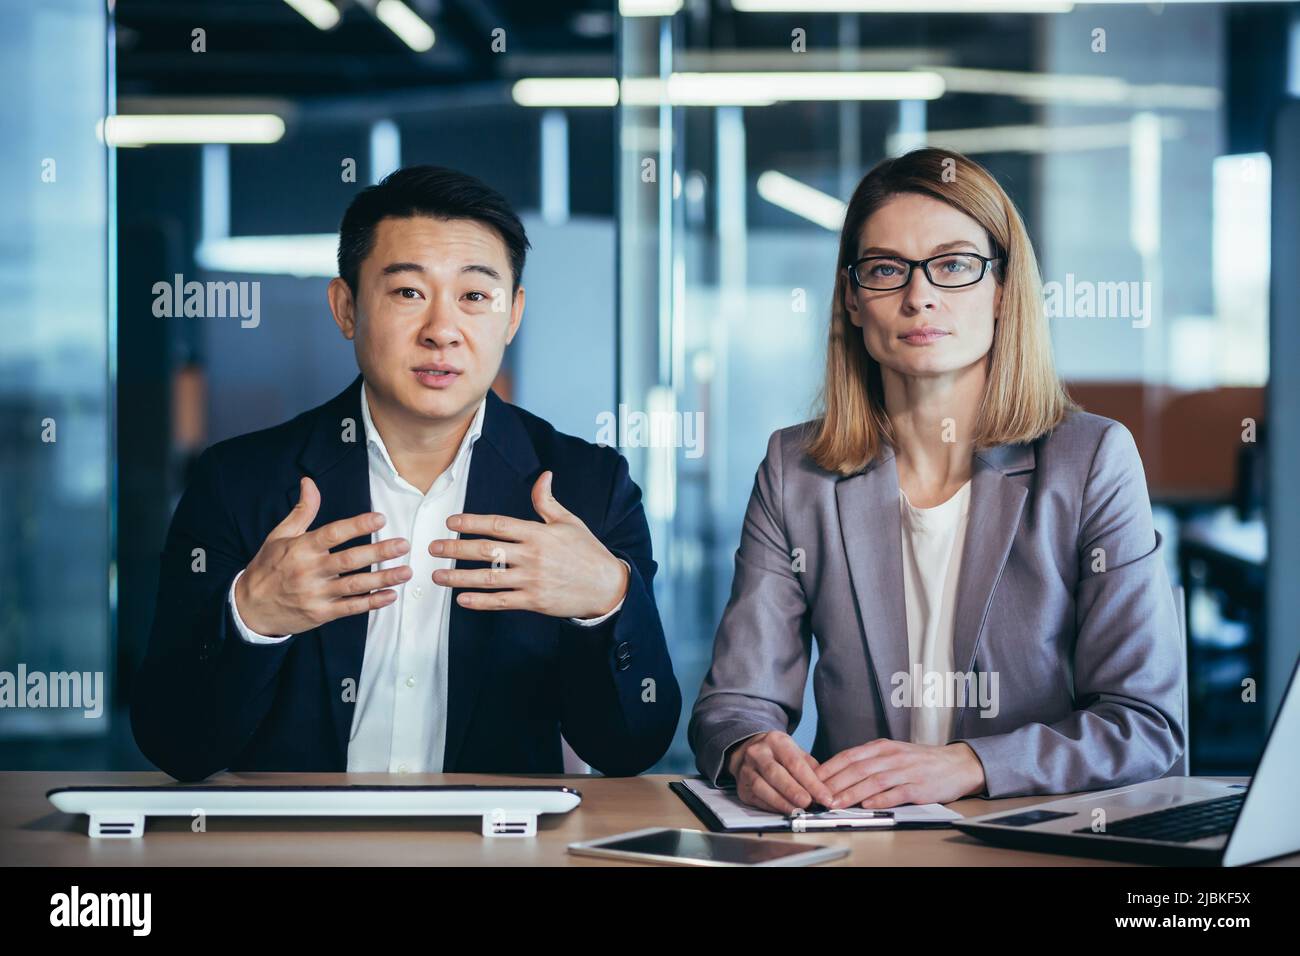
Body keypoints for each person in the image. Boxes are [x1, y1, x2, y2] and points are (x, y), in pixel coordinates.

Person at [132, 166, 680, 781]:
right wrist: (251, 617)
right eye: (407, 293)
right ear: (346, 308)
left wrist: (607, 600)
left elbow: (633, 747)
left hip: (493, 852)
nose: (441, 331)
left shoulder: (585, 488)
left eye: (475, 297)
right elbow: (172, 743)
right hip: (295, 848)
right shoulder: (241, 482)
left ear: (513, 315)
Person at [689, 147, 1184, 813]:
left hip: (1034, 843)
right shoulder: (794, 471)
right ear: (853, 299)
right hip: (862, 845)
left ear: (1003, 289)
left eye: (953, 266)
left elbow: (1146, 726)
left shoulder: (1091, 460)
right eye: (887, 270)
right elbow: (736, 703)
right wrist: (751, 748)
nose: (919, 296)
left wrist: (969, 765)